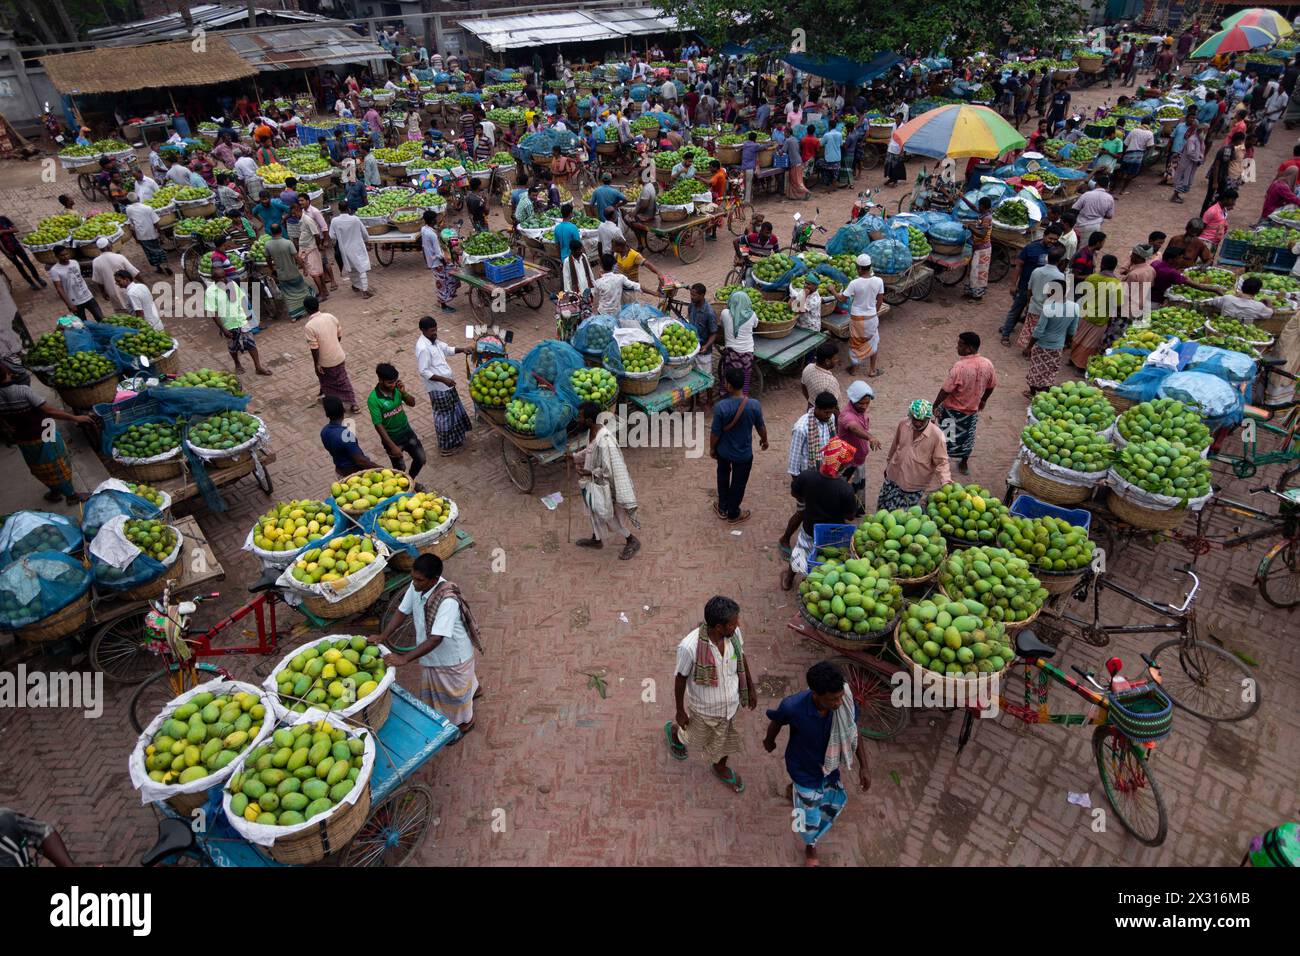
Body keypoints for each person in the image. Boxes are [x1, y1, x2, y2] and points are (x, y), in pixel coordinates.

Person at [764, 660, 868, 867]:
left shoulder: (845, 700)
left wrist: (865, 766)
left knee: (831, 799)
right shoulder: (793, 707)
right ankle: (810, 845)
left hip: (829, 769)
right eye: (832, 700)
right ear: (815, 694)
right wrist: (769, 741)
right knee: (809, 816)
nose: (839, 703)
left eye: (840, 697)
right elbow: (776, 722)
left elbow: (852, 731)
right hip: (803, 769)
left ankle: (794, 791)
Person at [376, 552, 484, 737]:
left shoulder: (447, 601)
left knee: (453, 695)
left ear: (434, 579)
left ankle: (465, 723)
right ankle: (475, 691)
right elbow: (403, 611)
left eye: (420, 580)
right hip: (438, 653)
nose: (415, 583)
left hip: (452, 656)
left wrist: (404, 658)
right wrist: (383, 636)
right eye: (413, 578)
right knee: (461, 685)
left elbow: (436, 638)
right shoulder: (417, 585)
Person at [665, 595, 758, 793]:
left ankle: (720, 765)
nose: (737, 625)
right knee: (694, 738)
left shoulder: (733, 635)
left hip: (729, 706)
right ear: (718, 627)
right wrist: (680, 711)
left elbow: (741, 657)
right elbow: (680, 679)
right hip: (704, 709)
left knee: (725, 738)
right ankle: (675, 733)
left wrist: (750, 687)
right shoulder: (689, 647)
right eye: (733, 623)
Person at [0, 363, 91, 505]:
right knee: (58, 464)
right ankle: (72, 496)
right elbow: (49, 411)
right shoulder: (22, 390)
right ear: (8, 373)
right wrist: (75, 418)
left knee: (39, 467)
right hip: (44, 432)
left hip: (22, 438)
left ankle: (55, 491)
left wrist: (6, 427)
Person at [783, 436, 859, 590]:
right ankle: (817, 585)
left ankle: (788, 580)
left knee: (800, 551)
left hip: (809, 526)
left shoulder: (807, 476)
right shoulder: (845, 489)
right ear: (842, 465)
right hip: (833, 532)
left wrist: (808, 500)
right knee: (827, 560)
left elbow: (795, 493)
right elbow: (849, 516)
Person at [573, 400, 641, 559]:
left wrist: (589, 473)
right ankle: (596, 539)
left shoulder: (605, 441)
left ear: (589, 420)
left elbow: (609, 470)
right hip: (591, 483)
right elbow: (589, 450)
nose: (578, 420)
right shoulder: (592, 432)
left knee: (607, 515)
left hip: (605, 486)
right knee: (593, 510)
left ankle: (631, 539)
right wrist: (575, 457)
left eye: (580, 417)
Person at [781, 391, 840, 553]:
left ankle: (816, 540)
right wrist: (798, 491)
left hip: (825, 474)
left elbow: (832, 442)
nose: (829, 415)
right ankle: (785, 539)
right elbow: (793, 464)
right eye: (826, 412)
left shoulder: (830, 419)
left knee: (821, 510)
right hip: (806, 480)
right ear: (816, 409)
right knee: (802, 512)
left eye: (831, 412)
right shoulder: (801, 428)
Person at [709, 367, 768, 523]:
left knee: (722, 476)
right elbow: (760, 426)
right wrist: (765, 440)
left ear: (728, 385)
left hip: (723, 451)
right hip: (743, 454)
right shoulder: (754, 405)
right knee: (738, 483)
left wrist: (712, 448)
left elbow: (715, 433)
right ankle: (733, 513)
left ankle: (722, 507)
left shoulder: (721, 407)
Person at [934, 332, 997, 473]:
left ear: (968, 348)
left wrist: (935, 405)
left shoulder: (960, 367)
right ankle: (963, 463)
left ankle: (943, 464)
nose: (957, 347)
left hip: (952, 411)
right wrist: (983, 400)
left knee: (946, 438)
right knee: (968, 439)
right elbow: (992, 385)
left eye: (960, 344)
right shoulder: (988, 364)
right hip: (971, 412)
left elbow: (946, 390)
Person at [878, 400, 952, 511]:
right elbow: (895, 445)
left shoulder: (937, 435)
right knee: (882, 507)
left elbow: (942, 462)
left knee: (899, 517)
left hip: (912, 485)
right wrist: (888, 464)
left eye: (922, 421)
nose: (918, 423)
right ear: (910, 416)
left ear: (928, 419)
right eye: (915, 419)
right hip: (893, 475)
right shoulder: (903, 424)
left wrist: (946, 482)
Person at [415, 315, 473, 456]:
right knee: (444, 417)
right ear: (423, 330)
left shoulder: (433, 341)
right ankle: (445, 447)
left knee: (453, 411)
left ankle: (456, 439)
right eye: (431, 331)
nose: (434, 333)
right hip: (439, 389)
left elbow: (446, 349)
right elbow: (423, 371)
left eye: (435, 330)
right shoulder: (423, 348)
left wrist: (462, 349)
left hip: (448, 386)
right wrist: (443, 380)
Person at [1000, 222, 1062, 345]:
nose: (1052, 241)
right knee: (1016, 310)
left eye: (1055, 239)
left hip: (1043, 291)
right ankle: (1006, 334)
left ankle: (1022, 334)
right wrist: (1013, 284)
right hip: (1025, 287)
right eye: (1050, 238)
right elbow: (1018, 266)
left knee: (1032, 313)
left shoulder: (1056, 250)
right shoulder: (1030, 248)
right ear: (1044, 235)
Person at [368, 362, 427, 479]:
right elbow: (378, 425)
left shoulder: (397, 389)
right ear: (380, 380)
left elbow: (412, 403)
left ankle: (411, 480)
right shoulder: (373, 399)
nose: (393, 384)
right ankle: (405, 484)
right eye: (390, 382)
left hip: (407, 432)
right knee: (400, 469)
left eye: (395, 381)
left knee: (421, 459)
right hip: (392, 439)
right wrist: (392, 446)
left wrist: (404, 392)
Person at [302, 297, 357, 411]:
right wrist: (333, 345)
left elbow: (314, 348)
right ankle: (353, 403)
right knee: (342, 379)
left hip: (325, 361)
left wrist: (317, 364)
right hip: (339, 355)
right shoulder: (330, 316)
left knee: (328, 382)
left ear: (306, 309)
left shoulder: (309, 326)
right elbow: (339, 334)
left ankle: (336, 403)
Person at [1071, 254, 1122, 368]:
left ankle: (1071, 358)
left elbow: (1083, 293)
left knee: (1078, 337)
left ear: (1102, 264)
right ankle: (1080, 365)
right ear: (1114, 267)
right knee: (1090, 343)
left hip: (1085, 314)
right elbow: (1118, 305)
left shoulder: (1091, 277)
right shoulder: (1116, 284)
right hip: (1100, 319)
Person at [837, 254, 885, 376]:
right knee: (873, 341)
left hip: (857, 318)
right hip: (871, 317)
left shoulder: (854, 283)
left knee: (855, 343)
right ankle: (872, 370)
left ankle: (854, 369)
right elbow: (880, 300)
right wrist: (874, 313)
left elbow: (842, 299)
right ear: (869, 267)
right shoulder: (879, 281)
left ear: (859, 269)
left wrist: (832, 290)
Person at [1025, 296, 1081, 397]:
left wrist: (1029, 346)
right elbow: (1072, 330)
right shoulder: (1074, 307)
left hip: (1042, 344)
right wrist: (1066, 344)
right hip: (1058, 345)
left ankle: (1032, 392)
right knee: (1050, 370)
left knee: (1036, 368)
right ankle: (1045, 394)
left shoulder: (1048, 308)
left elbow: (1039, 329)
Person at [263, 222, 311, 321]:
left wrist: (272, 269)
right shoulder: (288, 243)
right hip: (293, 272)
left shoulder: (267, 245)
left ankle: (294, 315)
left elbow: (268, 260)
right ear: (281, 231)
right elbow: (296, 258)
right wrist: (304, 268)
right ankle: (307, 309)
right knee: (303, 291)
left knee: (289, 297)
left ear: (271, 233)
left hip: (282, 275)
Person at [320, 395, 376, 477]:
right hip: (353, 476)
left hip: (340, 472)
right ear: (343, 410)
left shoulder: (324, 431)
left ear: (327, 414)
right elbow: (360, 461)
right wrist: (380, 468)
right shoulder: (346, 435)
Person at [718, 288, 759, 397]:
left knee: (728, 374)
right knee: (745, 376)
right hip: (747, 353)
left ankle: (725, 393)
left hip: (731, 353)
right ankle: (742, 396)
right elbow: (755, 325)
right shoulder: (752, 315)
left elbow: (721, 324)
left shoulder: (725, 313)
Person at [329, 201, 373, 298]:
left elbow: (332, 236)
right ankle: (364, 291)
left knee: (351, 269)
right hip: (357, 247)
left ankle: (356, 286)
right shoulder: (355, 219)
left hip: (344, 249)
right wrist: (367, 242)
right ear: (348, 208)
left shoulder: (334, 221)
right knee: (362, 269)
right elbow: (364, 233)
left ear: (339, 209)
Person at [49, 246, 102, 323]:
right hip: (75, 302)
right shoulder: (55, 270)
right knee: (82, 324)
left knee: (100, 318)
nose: (65, 257)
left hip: (88, 296)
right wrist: (69, 304)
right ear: (56, 256)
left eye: (66, 254)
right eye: (62, 255)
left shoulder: (75, 262)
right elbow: (59, 289)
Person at [420, 210, 457, 312]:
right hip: (437, 262)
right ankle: (443, 305)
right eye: (435, 219)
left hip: (431, 260)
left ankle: (445, 298)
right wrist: (446, 261)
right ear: (432, 221)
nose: (437, 220)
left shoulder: (424, 229)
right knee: (443, 282)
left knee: (441, 282)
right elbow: (438, 253)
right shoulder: (432, 235)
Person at [1203, 130, 1245, 215]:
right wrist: (1215, 181)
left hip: (1223, 177)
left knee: (1219, 197)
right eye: (1241, 141)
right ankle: (1204, 215)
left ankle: (1214, 214)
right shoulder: (1225, 150)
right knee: (1210, 197)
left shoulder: (1232, 150)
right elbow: (1216, 165)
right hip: (1217, 177)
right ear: (1238, 140)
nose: (1241, 143)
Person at [89, 237, 137, 310]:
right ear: (109, 246)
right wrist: (143, 283)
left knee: (122, 313)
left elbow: (99, 281)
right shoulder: (119, 257)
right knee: (135, 308)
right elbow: (133, 272)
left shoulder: (96, 262)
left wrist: (103, 292)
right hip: (126, 288)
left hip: (112, 292)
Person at [1202, 276, 1274, 325]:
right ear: (1257, 292)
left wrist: (1234, 296)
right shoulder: (1258, 306)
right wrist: (1268, 301)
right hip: (1243, 333)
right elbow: (1270, 313)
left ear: (1242, 288)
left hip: (1222, 327)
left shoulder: (1228, 298)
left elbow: (1211, 301)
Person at [961, 196, 994, 300]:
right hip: (977, 247)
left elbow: (982, 234)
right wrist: (962, 198)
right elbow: (973, 207)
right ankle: (972, 291)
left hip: (983, 249)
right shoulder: (984, 213)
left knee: (978, 271)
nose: (978, 207)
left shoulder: (987, 218)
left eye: (980, 205)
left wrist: (970, 226)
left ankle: (977, 294)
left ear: (983, 207)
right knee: (974, 271)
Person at [0, 216, 45, 290]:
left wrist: (3, 231)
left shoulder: (3, 219)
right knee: (19, 266)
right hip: (7, 249)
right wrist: (6, 251)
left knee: (28, 262)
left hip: (16, 245)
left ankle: (38, 278)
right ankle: (31, 283)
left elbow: (16, 230)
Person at [1071, 173, 1114, 248]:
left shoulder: (1087, 194)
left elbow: (1075, 208)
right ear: (1107, 186)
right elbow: (1110, 215)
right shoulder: (1109, 198)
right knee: (1085, 248)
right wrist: (1100, 214)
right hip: (1095, 225)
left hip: (1080, 223)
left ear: (1096, 184)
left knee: (1074, 245)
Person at [800, 340, 841, 407]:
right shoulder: (831, 381)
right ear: (827, 361)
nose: (837, 360)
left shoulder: (808, 368)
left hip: (812, 406)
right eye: (835, 359)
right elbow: (834, 405)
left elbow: (803, 387)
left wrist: (811, 402)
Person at [784, 123, 809, 199]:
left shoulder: (788, 140)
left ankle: (806, 192)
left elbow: (783, 151)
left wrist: (778, 150)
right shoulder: (795, 139)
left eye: (784, 133)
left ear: (788, 133)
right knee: (797, 180)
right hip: (799, 161)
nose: (784, 134)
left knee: (796, 182)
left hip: (794, 163)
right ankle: (793, 196)